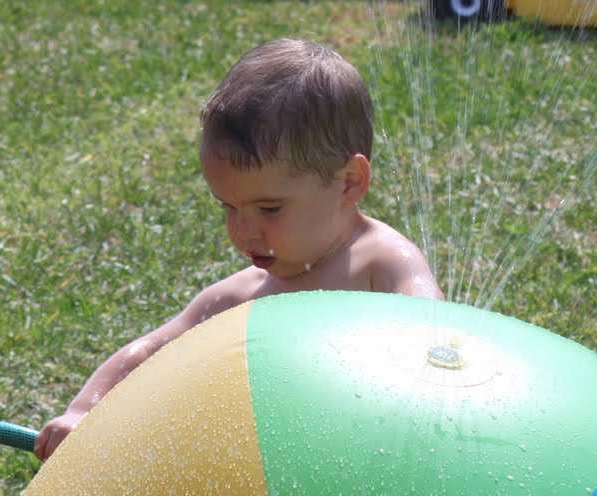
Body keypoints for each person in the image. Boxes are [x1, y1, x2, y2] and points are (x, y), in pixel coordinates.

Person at [33, 38, 442, 459]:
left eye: (269, 208)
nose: (244, 231)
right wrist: (84, 410)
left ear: (349, 182)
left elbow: (435, 329)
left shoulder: (382, 262)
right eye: (228, 207)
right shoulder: (241, 297)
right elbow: (150, 351)